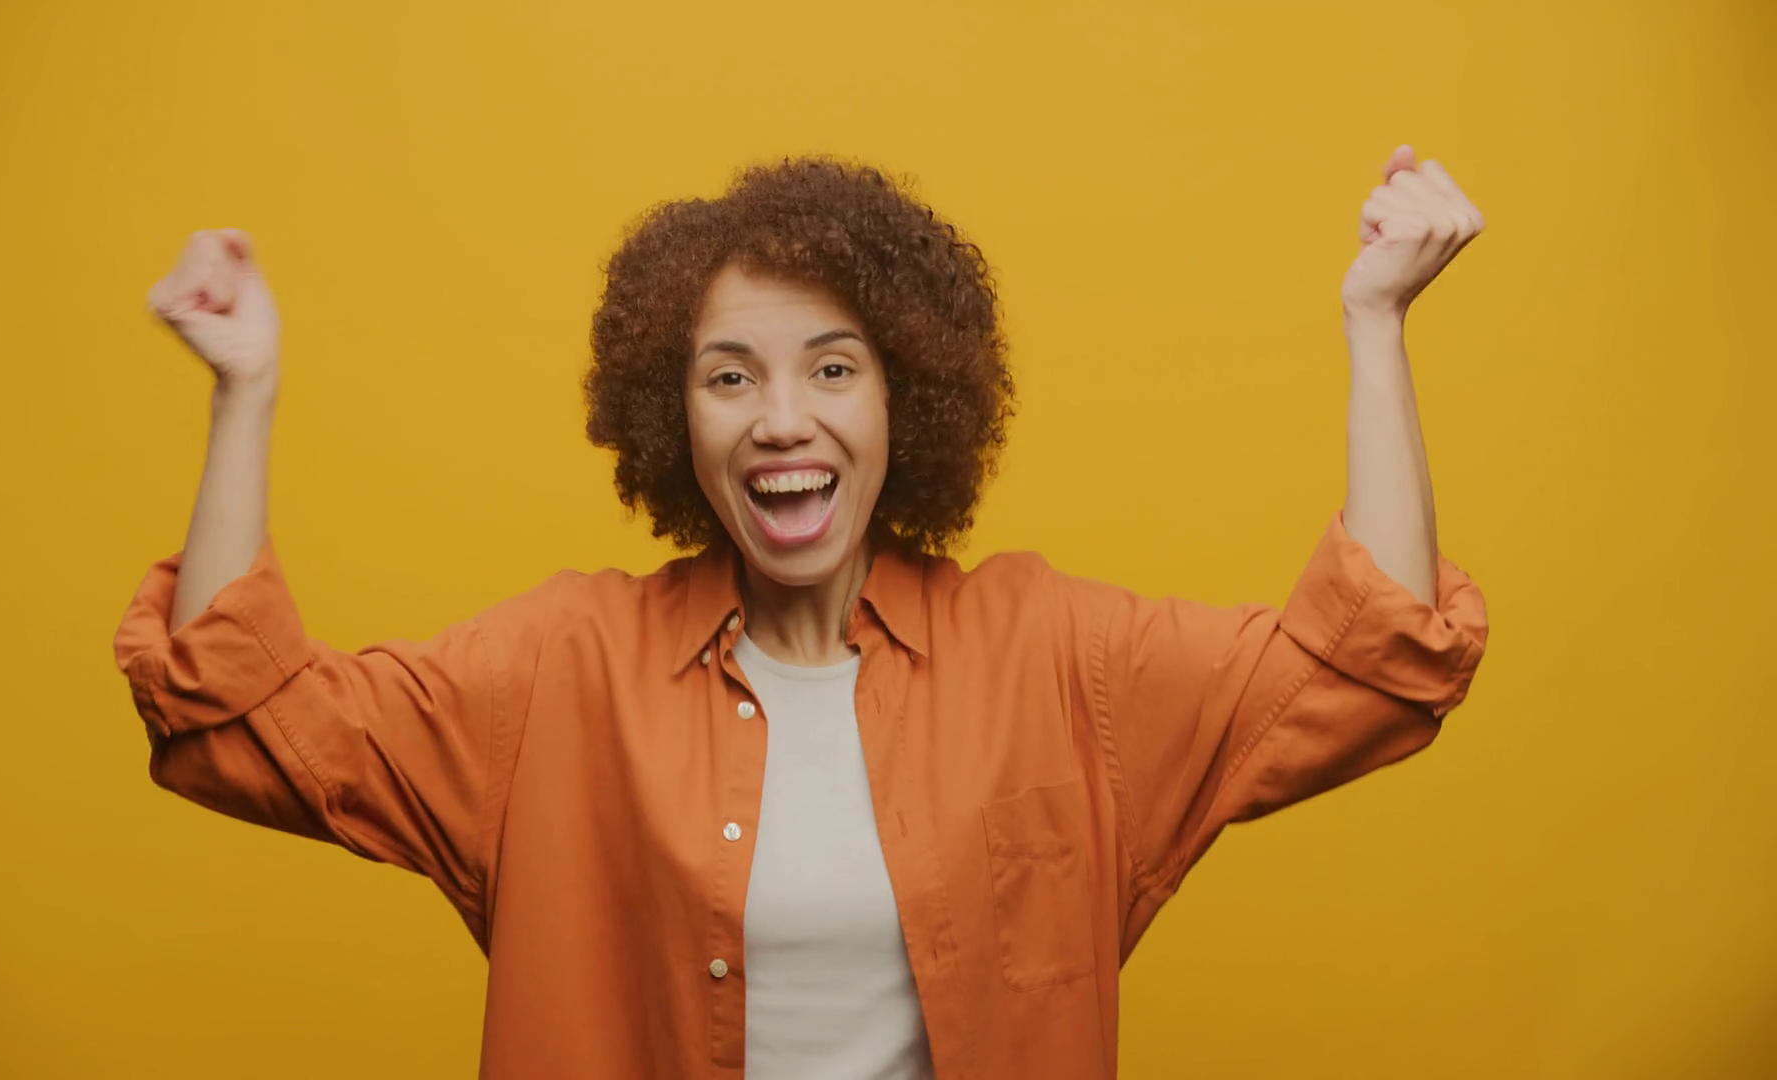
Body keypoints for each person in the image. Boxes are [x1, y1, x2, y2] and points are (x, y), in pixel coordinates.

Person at [114, 149, 1488, 1080]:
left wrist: (1379, 326)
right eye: (730, 378)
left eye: (833, 368)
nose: (784, 421)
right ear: (674, 417)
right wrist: (246, 391)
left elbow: (1373, 667)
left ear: (905, 401)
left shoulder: (1059, 660)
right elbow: (242, 719)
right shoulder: (563, 670)